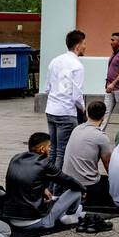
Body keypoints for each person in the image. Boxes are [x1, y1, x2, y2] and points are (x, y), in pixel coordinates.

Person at [3, 132, 85, 231]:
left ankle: (67, 212)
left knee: (53, 199)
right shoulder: (44, 162)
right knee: (76, 191)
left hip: (12, 219)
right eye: (49, 147)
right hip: (37, 221)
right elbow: (67, 180)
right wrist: (84, 190)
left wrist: (43, 188)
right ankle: (70, 215)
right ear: (42, 149)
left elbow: (25, 180)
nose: (50, 150)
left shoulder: (15, 158)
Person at [45, 29, 87, 164]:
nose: (85, 47)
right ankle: (56, 185)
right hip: (66, 112)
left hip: (51, 110)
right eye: (84, 44)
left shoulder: (54, 61)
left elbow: (47, 88)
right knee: (63, 152)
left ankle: (48, 182)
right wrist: (83, 109)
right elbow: (76, 96)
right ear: (77, 46)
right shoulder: (78, 66)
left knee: (53, 150)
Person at [63, 101, 114, 205]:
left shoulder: (77, 129)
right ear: (103, 117)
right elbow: (108, 165)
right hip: (87, 185)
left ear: (87, 114)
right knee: (108, 183)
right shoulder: (101, 137)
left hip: (67, 182)